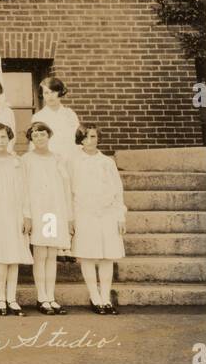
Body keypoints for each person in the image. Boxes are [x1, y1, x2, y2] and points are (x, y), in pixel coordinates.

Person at [70, 124, 127, 315]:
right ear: (80, 140)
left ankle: (105, 297)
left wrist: (120, 216)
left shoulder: (107, 162)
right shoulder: (75, 162)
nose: (89, 141)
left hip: (108, 213)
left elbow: (117, 189)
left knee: (106, 256)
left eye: (93, 137)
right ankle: (94, 297)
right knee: (88, 255)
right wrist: (71, 218)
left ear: (98, 138)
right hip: (85, 213)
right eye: (85, 137)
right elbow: (70, 191)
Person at [0, 122, 32, 316]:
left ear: (9, 138)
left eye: (4, 137)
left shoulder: (17, 161)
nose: (0, 141)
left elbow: (24, 190)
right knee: (1, 257)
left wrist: (27, 215)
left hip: (15, 212)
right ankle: (0, 297)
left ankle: (12, 298)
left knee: (14, 257)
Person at [22, 121, 73, 315]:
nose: (39, 138)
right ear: (31, 140)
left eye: (42, 134)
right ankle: (41, 297)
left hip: (53, 212)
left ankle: (51, 296)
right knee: (40, 254)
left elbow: (65, 188)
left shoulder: (58, 159)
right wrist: (27, 215)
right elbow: (24, 190)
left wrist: (68, 216)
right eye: (35, 136)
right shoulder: (27, 159)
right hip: (37, 212)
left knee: (51, 255)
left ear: (48, 136)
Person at [31, 76, 81, 159]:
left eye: (53, 92)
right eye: (46, 93)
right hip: (48, 159)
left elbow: (78, 139)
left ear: (60, 92)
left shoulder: (70, 114)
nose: (50, 96)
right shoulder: (38, 117)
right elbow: (34, 144)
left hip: (70, 157)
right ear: (42, 95)